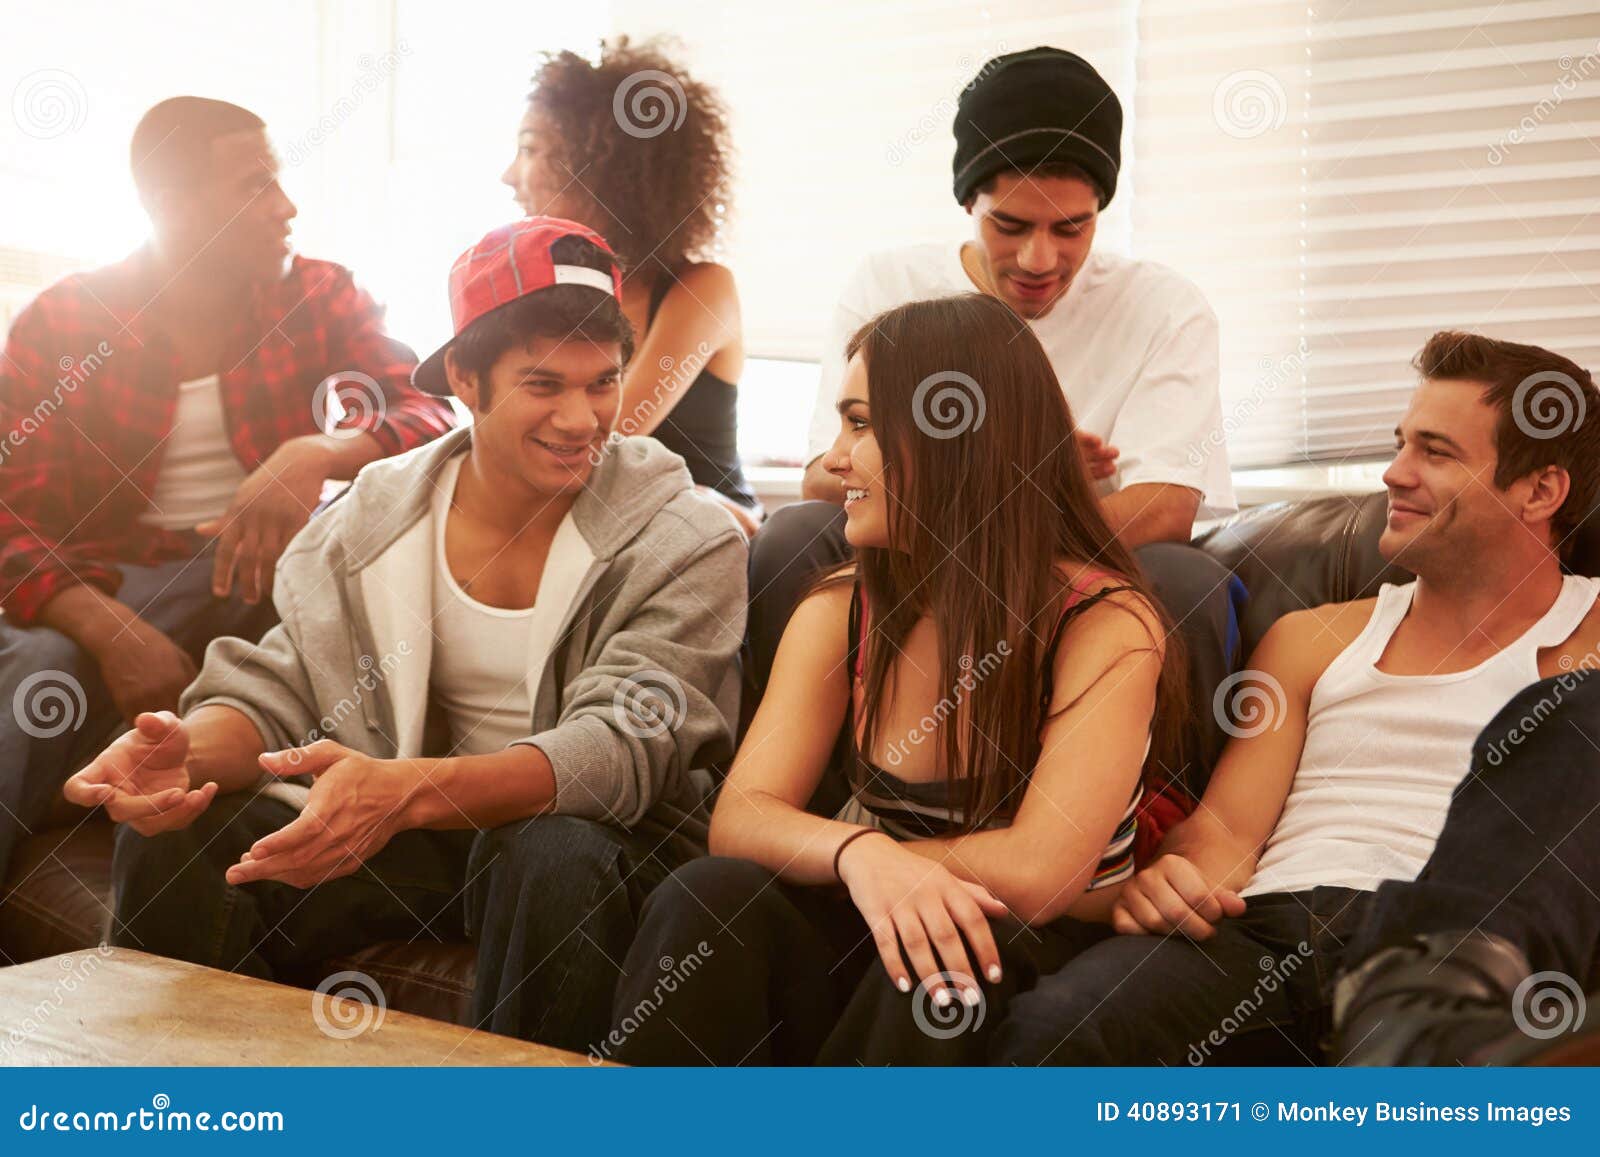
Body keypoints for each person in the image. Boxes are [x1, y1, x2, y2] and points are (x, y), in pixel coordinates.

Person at [70, 218, 746, 1053]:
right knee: (176, 841)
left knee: (552, 849)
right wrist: (186, 750)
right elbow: (283, 686)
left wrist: (405, 789)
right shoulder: (371, 516)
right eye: (544, 385)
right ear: (465, 377)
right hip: (412, 843)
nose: (583, 418)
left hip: (594, 854)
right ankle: (194, 1110)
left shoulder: (682, 535)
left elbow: (625, 746)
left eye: (602, 382)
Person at [605, 293, 1190, 1066]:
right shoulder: (842, 605)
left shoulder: (1105, 624)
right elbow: (742, 815)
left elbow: (1041, 873)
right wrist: (861, 855)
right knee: (707, 896)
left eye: (860, 424)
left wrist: (890, 865)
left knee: (937, 962)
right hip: (871, 913)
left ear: (957, 435)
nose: (836, 459)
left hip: (1023, 946)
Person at [989, 331, 1600, 1066]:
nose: (1393, 474)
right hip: (1270, 928)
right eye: (1400, 444)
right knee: (1058, 1029)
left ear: (1541, 490)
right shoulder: (1310, 639)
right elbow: (1228, 835)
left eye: (1435, 453)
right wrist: (1175, 879)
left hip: (1456, 949)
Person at [751, 46, 1240, 776]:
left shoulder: (1165, 307)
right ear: (969, 203)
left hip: (1072, 569)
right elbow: (827, 479)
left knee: (1186, 579)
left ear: (1101, 211)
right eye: (1009, 225)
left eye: (1070, 228)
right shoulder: (891, 283)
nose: (1040, 258)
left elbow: (1166, 506)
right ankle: (796, 799)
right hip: (911, 560)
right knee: (796, 537)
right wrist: (1026, 477)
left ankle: (1161, 835)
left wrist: (1034, 509)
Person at [0, 97, 454, 879]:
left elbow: (430, 410)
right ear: (170, 205)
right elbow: (11, 519)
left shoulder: (319, 295)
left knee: (335, 655)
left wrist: (313, 450)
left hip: (265, 582)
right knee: (37, 667)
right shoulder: (66, 321)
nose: (286, 207)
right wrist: (113, 633)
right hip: (115, 586)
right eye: (255, 186)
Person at [501, 36, 760, 535]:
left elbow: (609, 435)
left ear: (603, 170)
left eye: (530, 148)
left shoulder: (701, 289)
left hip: (713, 528)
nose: (509, 175)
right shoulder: (544, 290)